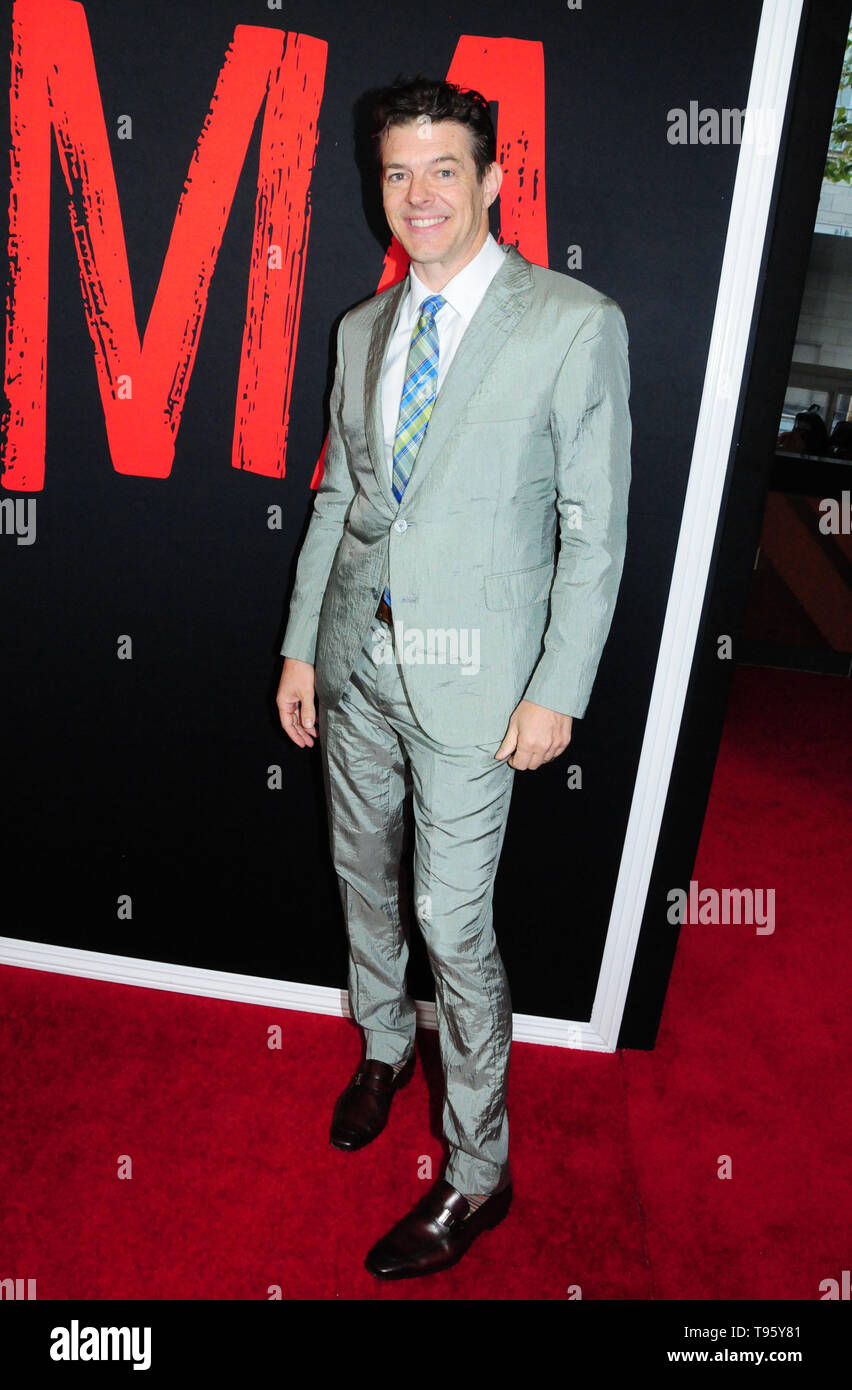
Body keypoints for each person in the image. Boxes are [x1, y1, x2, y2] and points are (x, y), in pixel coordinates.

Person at [276, 76, 631, 1280]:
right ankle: (383, 1043)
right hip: (356, 659)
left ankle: (479, 1171)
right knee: (357, 872)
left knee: (451, 922)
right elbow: (341, 498)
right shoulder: (359, 330)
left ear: (490, 179)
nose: (418, 195)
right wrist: (298, 645)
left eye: (442, 170)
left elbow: (596, 532)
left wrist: (558, 687)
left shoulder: (573, 322)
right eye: (396, 173)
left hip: (479, 685)